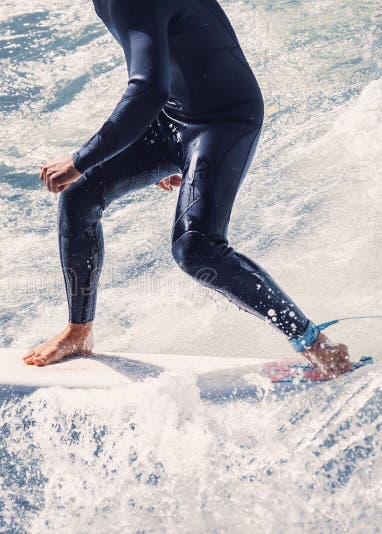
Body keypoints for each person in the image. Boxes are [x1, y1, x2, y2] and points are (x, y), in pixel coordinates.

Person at [22, 0, 351, 377]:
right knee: (79, 195)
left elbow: (147, 89)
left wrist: (79, 160)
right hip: (171, 116)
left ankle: (315, 344)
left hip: (224, 120)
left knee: (196, 248)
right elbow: (155, 66)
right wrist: (150, 147)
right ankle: (79, 331)